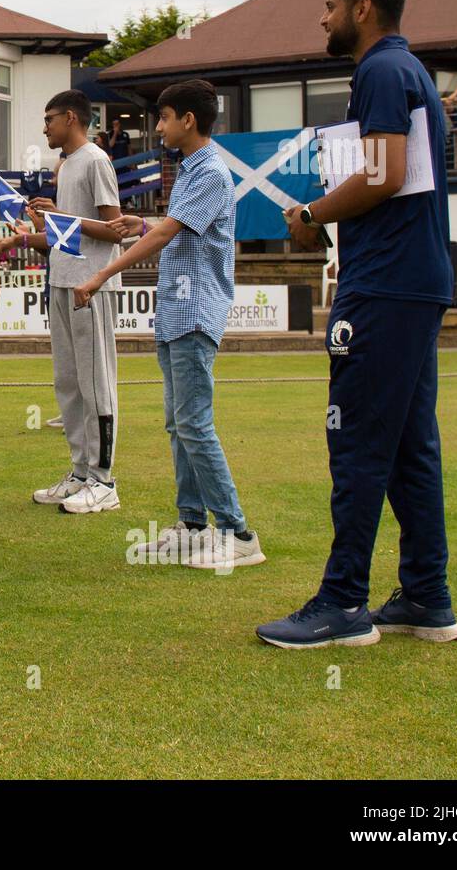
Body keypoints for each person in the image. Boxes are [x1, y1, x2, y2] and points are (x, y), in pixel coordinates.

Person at [258, 0, 457, 648]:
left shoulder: (379, 72)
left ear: (363, 8)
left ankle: (343, 603)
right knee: (409, 446)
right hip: (416, 280)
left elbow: (384, 172)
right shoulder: (413, 72)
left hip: (383, 283)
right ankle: (428, 597)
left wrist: (312, 213)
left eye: (329, 4)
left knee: (356, 443)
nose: (323, 17)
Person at [74, 79, 265, 571]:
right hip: (178, 316)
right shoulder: (192, 170)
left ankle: (238, 532)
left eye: (163, 117)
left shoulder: (210, 173)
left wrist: (103, 271)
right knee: (180, 426)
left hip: (196, 313)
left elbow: (167, 233)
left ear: (189, 121)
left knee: (194, 426)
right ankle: (193, 526)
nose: (157, 126)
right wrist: (141, 225)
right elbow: (170, 228)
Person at [19, 90, 126, 511]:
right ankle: (81, 472)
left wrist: (60, 218)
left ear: (70, 118)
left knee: (96, 382)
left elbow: (115, 228)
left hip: (91, 286)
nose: (44, 127)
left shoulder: (97, 160)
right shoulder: (66, 166)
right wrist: (35, 230)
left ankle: (104, 480)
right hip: (63, 282)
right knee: (69, 383)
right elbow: (72, 235)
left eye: (49, 119)